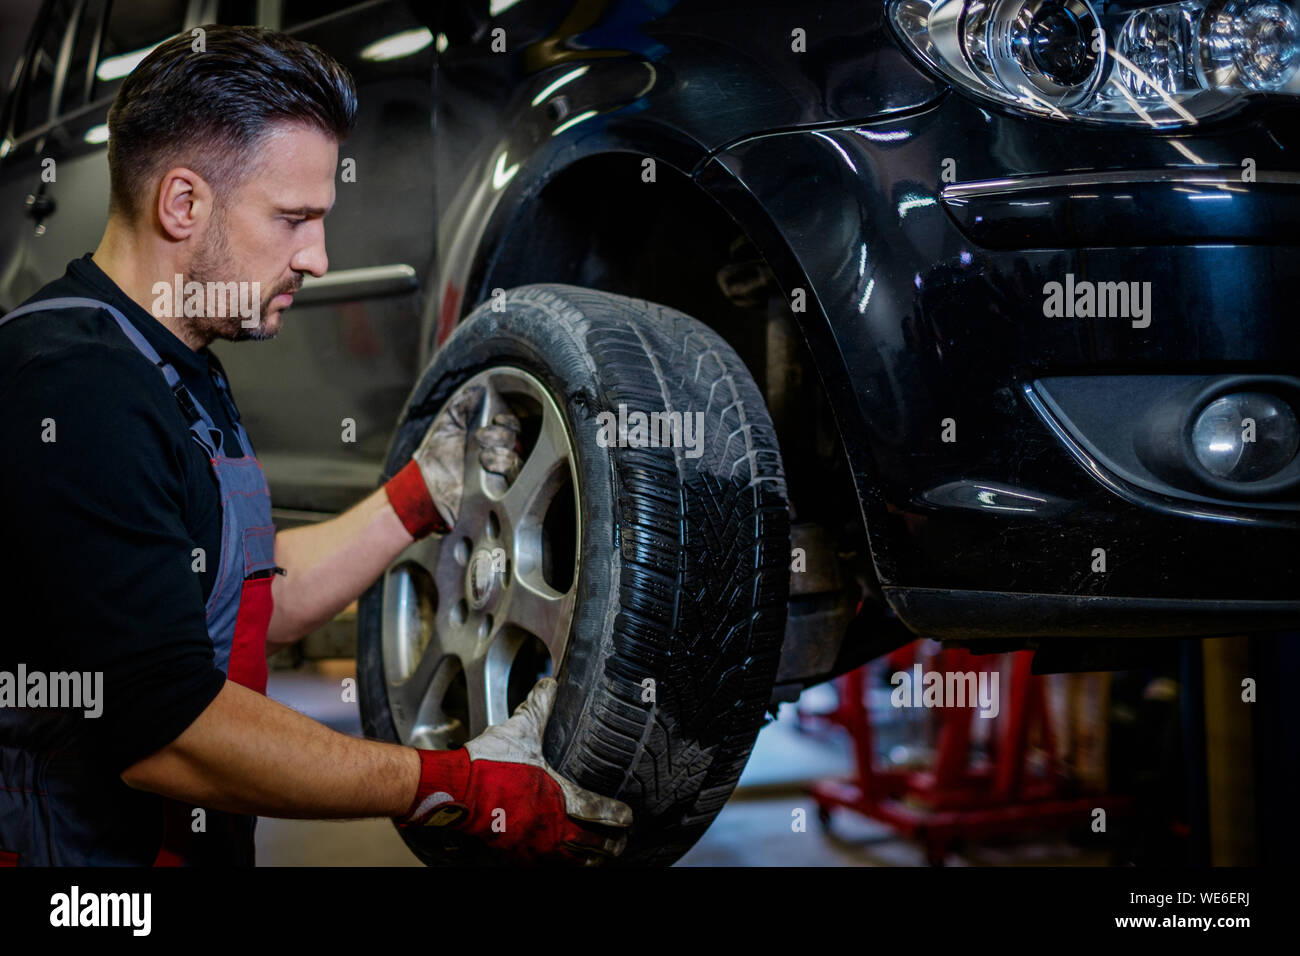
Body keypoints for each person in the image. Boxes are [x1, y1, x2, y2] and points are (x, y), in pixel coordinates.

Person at [0, 24, 630, 867]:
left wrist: (415, 497)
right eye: (293, 219)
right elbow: (169, 732)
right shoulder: (72, 385)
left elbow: (245, 603)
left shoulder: (176, 362)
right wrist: (457, 785)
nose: (320, 259)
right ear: (182, 204)